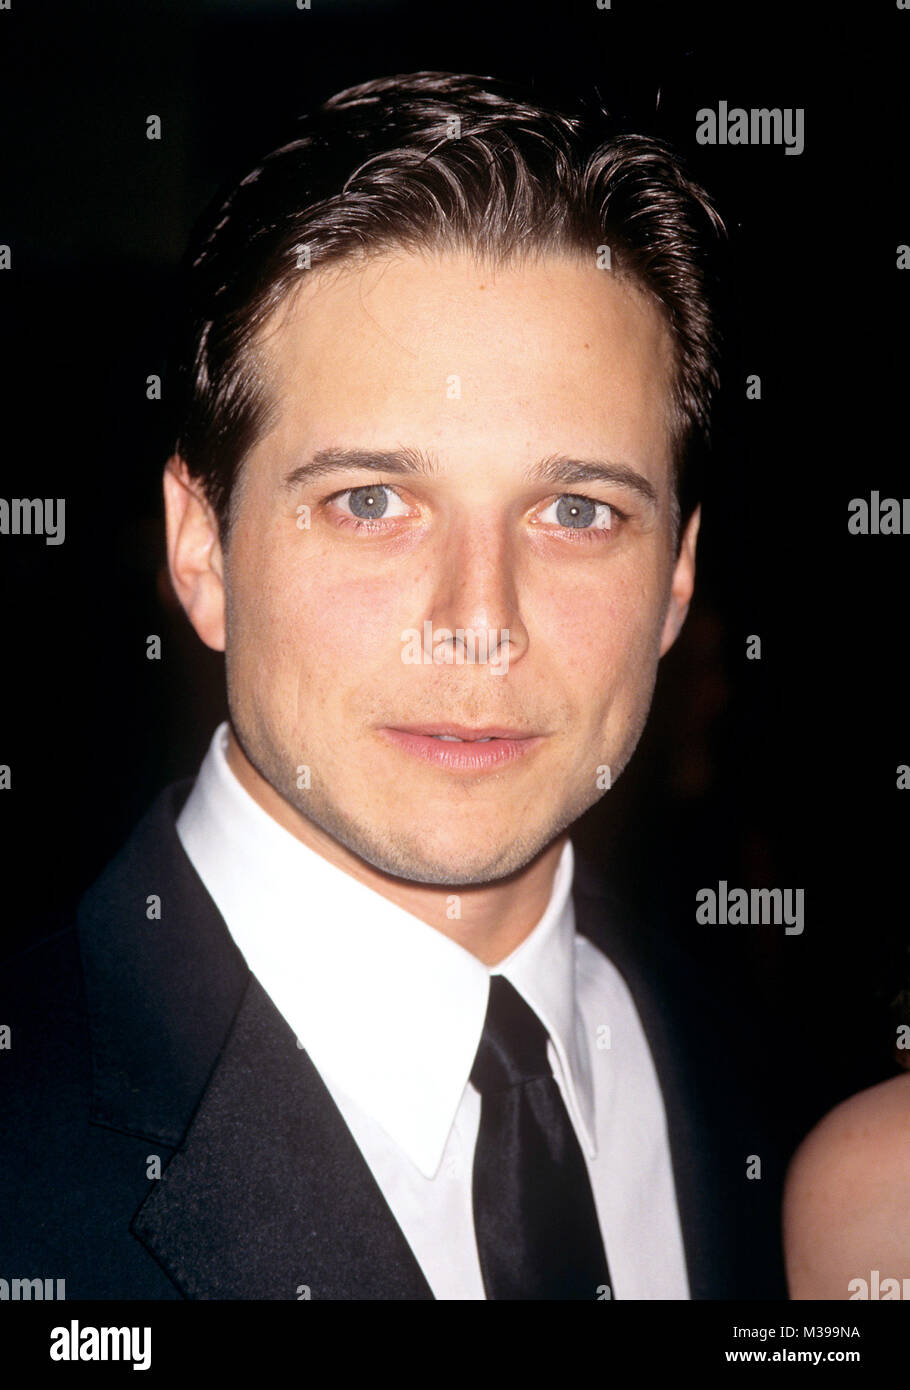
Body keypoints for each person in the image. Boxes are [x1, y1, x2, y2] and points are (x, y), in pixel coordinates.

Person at [0, 71, 786, 1300]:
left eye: (576, 511)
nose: (478, 625)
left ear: (677, 576)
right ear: (200, 548)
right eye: (370, 502)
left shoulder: (781, 1101)